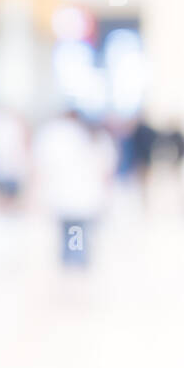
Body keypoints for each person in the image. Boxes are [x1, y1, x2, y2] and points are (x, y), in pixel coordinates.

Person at [33, 109, 117, 268]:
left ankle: (71, 267)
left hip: (65, 196)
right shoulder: (95, 136)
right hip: (84, 198)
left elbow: (41, 164)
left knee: (72, 236)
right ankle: (74, 267)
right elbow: (107, 169)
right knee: (76, 236)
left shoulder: (53, 134)